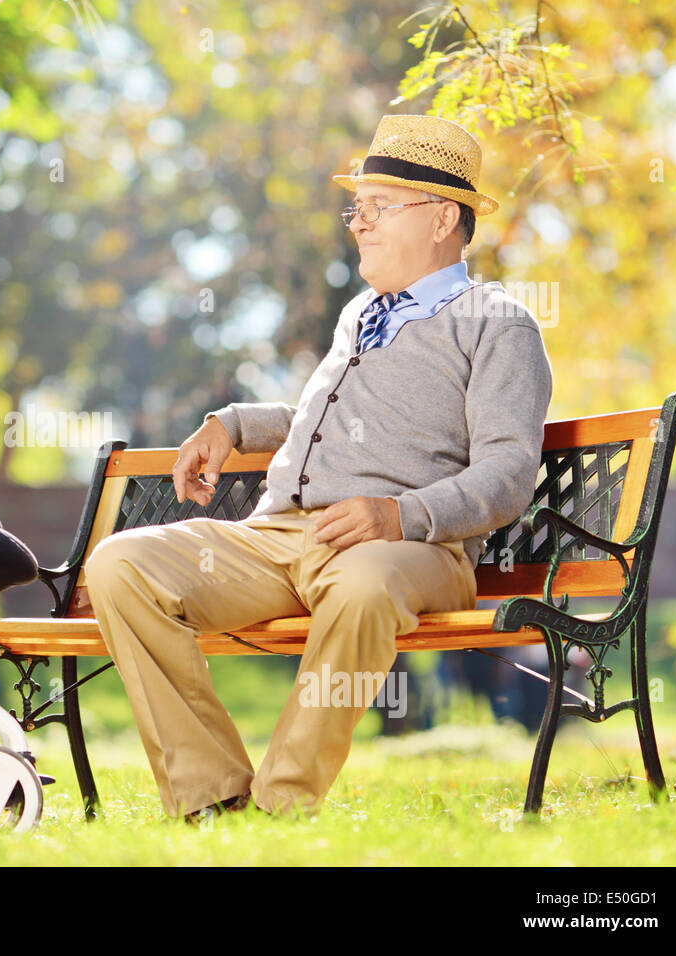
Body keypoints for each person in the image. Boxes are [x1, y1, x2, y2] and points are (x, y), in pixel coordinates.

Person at [84, 114, 553, 821]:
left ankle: (282, 805)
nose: (359, 225)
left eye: (379, 207)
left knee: (365, 585)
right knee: (121, 565)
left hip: (410, 550)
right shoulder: (361, 314)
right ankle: (210, 796)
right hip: (279, 537)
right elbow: (315, 419)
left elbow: (510, 471)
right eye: (356, 209)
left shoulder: (497, 321)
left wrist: (399, 514)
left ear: (443, 218)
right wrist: (232, 425)